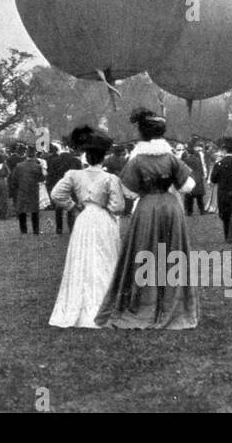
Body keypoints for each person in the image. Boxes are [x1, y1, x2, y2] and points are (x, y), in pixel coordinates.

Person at [95, 109, 199, 330]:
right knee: (172, 254)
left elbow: (129, 192)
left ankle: (143, 303)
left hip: (147, 207)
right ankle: (172, 302)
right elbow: (189, 186)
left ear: (142, 133)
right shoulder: (171, 158)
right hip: (171, 208)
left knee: (144, 252)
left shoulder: (137, 160)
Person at [49, 129, 125, 328]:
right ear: (104, 157)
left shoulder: (75, 175)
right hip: (102, 218)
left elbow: (56, 194)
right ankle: (104, 304)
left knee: (83, 258)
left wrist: (73, 207)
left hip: (84, 219)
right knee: (105, 257)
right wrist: (104, 206)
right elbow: (118, 206)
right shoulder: (110, 179)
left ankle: (83, 305)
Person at [45, 142, 81, 233]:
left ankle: (59, 228)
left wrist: (50, 188)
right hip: (72, 187)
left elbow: (51, 176)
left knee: (58, 208)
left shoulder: (55, 161)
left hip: (59, 187)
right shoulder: (76, 161)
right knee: (71, 208)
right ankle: (71, 228)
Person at [9, 147, 45, 234]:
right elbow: (41, 178)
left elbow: (14, 179)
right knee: (34, 210)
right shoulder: (38, 166)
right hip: (33, 190)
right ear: (34, 155)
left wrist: (16, 186)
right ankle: (35, 230)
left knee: (22, 210)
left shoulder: (19, 166)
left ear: (26, 155)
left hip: (22, 189)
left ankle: (23, 230)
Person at [180, 143, 208, 216]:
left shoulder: (186, 160)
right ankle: (202, 210)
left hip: (190, 179)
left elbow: (183, 170)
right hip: (198, 179)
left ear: (188, 152)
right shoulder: (197, 159)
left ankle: (189, 211)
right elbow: (201, 169)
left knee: (188, 197)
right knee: (199, 197)